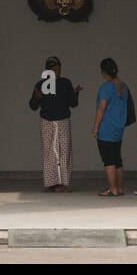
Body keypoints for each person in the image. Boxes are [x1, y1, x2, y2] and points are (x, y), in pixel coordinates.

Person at [28, 56, 80, 192]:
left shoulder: (65, 83)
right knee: (49, 151)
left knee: (64, 151)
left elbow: (73, 103)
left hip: (63, 120)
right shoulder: (41, 85)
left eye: (58, 69)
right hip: (47, 121)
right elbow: (33, 106)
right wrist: (36, 97)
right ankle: (52, 183)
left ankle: (63, 183)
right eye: (53, 69)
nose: (56, 71)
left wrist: (75, 94)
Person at [92, 57, 129, 196]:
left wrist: (96, 126)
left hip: (106, 127)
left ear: (103, 72)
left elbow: (102, 107)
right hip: (118, 128)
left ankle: (112, 189)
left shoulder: (106, 87)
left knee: (108, 159)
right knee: (117, 158)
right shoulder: (123, 86)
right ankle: (119, 188)